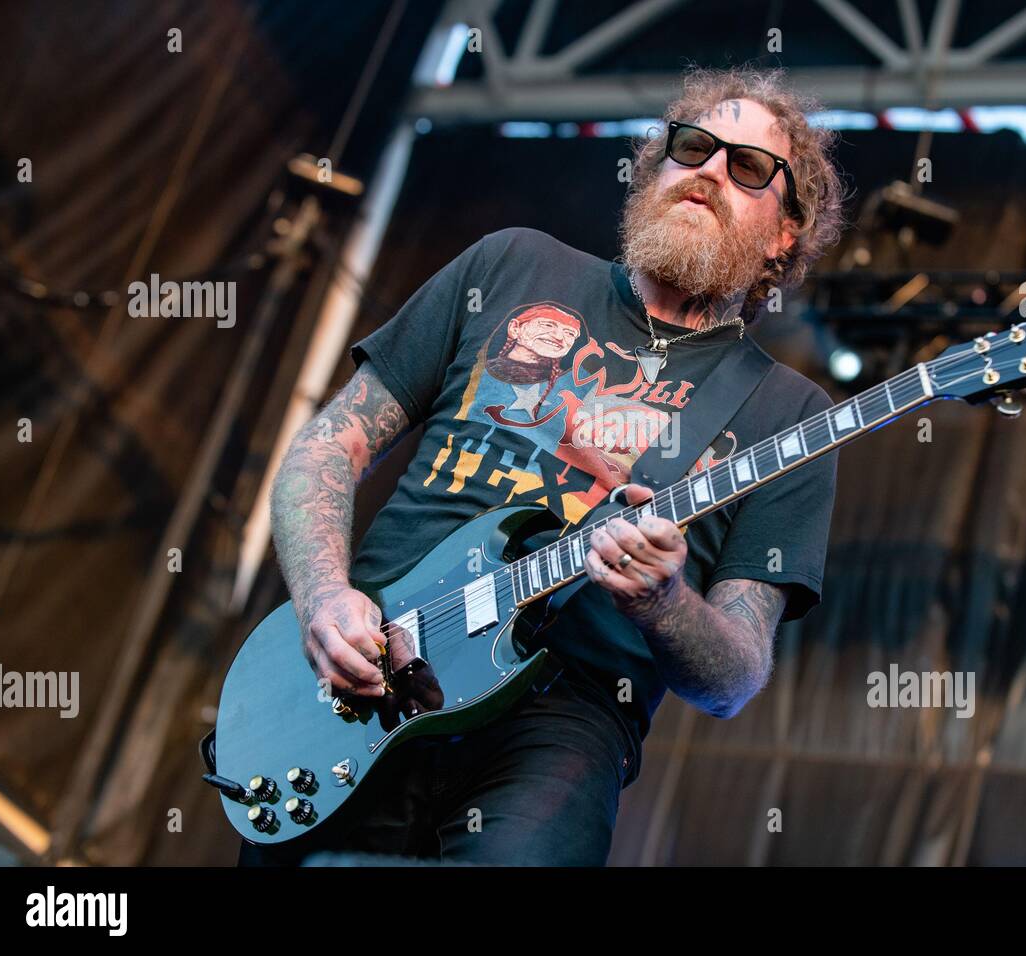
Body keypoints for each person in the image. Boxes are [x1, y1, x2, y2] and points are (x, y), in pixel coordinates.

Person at [240, 64, 846, 866]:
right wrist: (324, 601)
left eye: (746, 167)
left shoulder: (787, 417)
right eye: (693, 146)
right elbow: (330, 443)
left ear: (783, 236)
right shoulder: (511, 265)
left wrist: (665, 602)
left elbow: (733, 675)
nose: (707, 170)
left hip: (565, 716)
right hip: (372, 661)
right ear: (654, 168)